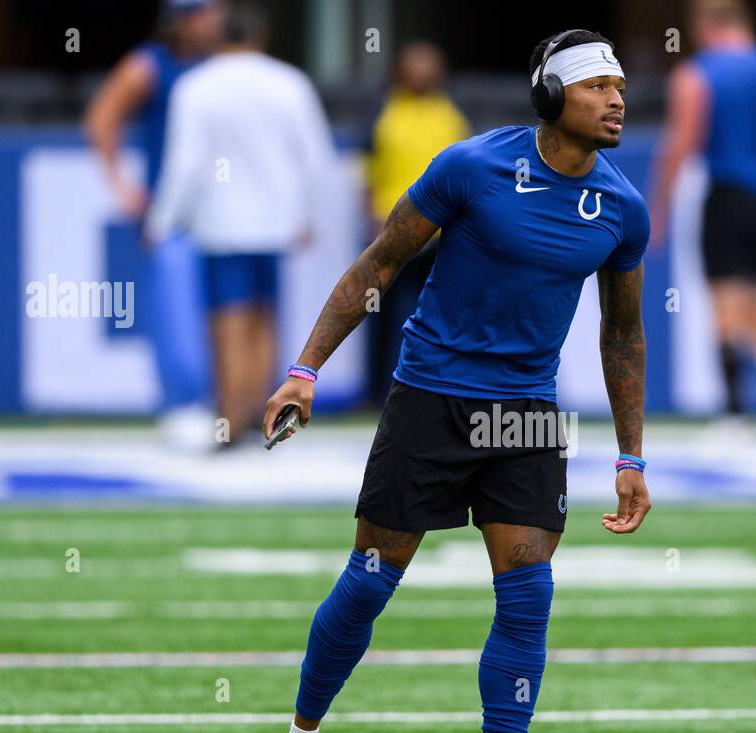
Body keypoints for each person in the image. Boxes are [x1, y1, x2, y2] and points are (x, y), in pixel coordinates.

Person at [246, 29, 651, 733]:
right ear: (550, 97)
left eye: (619, 86)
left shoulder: (622, 208)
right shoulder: (471, 166)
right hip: (430, 400)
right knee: (367, 586)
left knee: (529, 596)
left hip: (527, 415)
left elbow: (623, 337)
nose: (615, 100)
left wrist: (631, 456)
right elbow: (377, 266)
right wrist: (305, 371)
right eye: (595, 87)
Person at [145, 2, 334, 444]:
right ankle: (256, 415)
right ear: (260, 38)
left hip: (220, 222)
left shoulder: (196, 86)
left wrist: (161, 220)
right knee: (263, 316)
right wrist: (305, 213)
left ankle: (229, 418)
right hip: (274, 223)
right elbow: (316, 158)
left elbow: (184, 163)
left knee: (227, 318)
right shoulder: (289, 83)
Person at [650, 0, 756, 429]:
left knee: (725, 302)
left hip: (728, 193)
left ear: (707, 25)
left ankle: (734, 413)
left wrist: (660, 205)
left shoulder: (697, 74)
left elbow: (681, 142)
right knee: (748, 296)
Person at [83, 0, 222, 445]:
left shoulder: (221, 65)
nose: (215, 21)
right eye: (205, 13)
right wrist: (120, 184)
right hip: (174, 213)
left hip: (223, 209)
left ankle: (230, 404)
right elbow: (102, 117)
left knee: (231, 308)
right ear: (180, 21)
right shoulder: (150, 65)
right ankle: (183, 405)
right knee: (176, 308)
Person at [360, 41, 471, 407]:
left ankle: (437, 390)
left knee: (438, 315)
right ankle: (377, 393)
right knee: (380, 313)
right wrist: (370, 215)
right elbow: (369, 170)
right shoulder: (384, 111)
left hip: (439, 234)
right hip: (391, 230)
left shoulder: (452, 115)